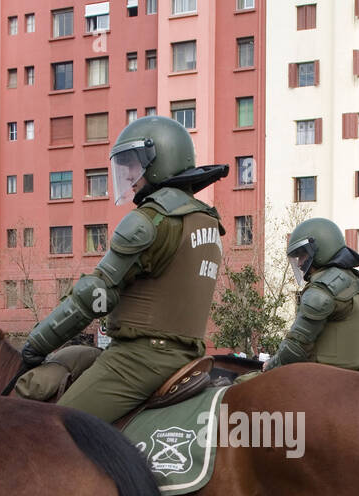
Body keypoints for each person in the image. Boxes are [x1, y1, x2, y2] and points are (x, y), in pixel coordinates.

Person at [18, 116, 228, 421]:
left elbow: (96, 294)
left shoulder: (151, 219)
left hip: (138, 360)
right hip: (186, 355)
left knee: (55, 433)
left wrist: (37, 343)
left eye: (134, 164)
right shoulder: (207, 221)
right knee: (70, 359)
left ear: (160, 159)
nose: (129, 175)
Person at [263, 218, 359, 371]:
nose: (299, 263)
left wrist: (270, 365)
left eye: (302, 255)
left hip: (320, 377)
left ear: (320, 249)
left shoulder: (323, 289)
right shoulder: (356, 280)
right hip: (355, 375)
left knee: (240, 386)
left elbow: (295, 349)